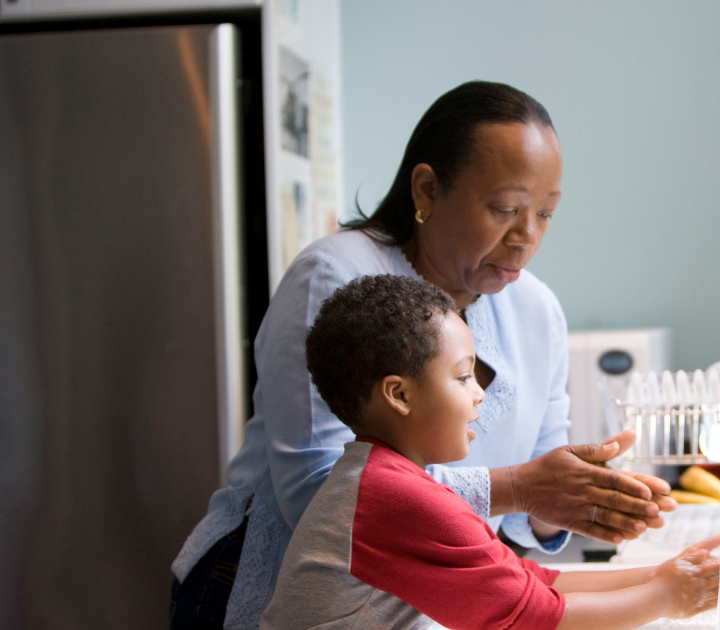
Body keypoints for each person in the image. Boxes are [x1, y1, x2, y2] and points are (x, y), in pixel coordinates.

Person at [171, 80, 676, 629]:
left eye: (546, 214)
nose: (526, 237)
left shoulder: (538, 309)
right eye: (505, 208)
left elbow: (532, 513)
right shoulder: (336, 275)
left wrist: (581, 499)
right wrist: (519, 487)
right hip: (263, 590)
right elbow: (320, 495)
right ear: (427, 189)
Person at [261, 275, 720, 629]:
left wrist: (658, 575)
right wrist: (669, 598)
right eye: (463, 377)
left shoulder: (386, 480)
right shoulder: (390, 496)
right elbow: (532, 618)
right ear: (399, 394)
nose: (480, 392)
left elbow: (530, 580)